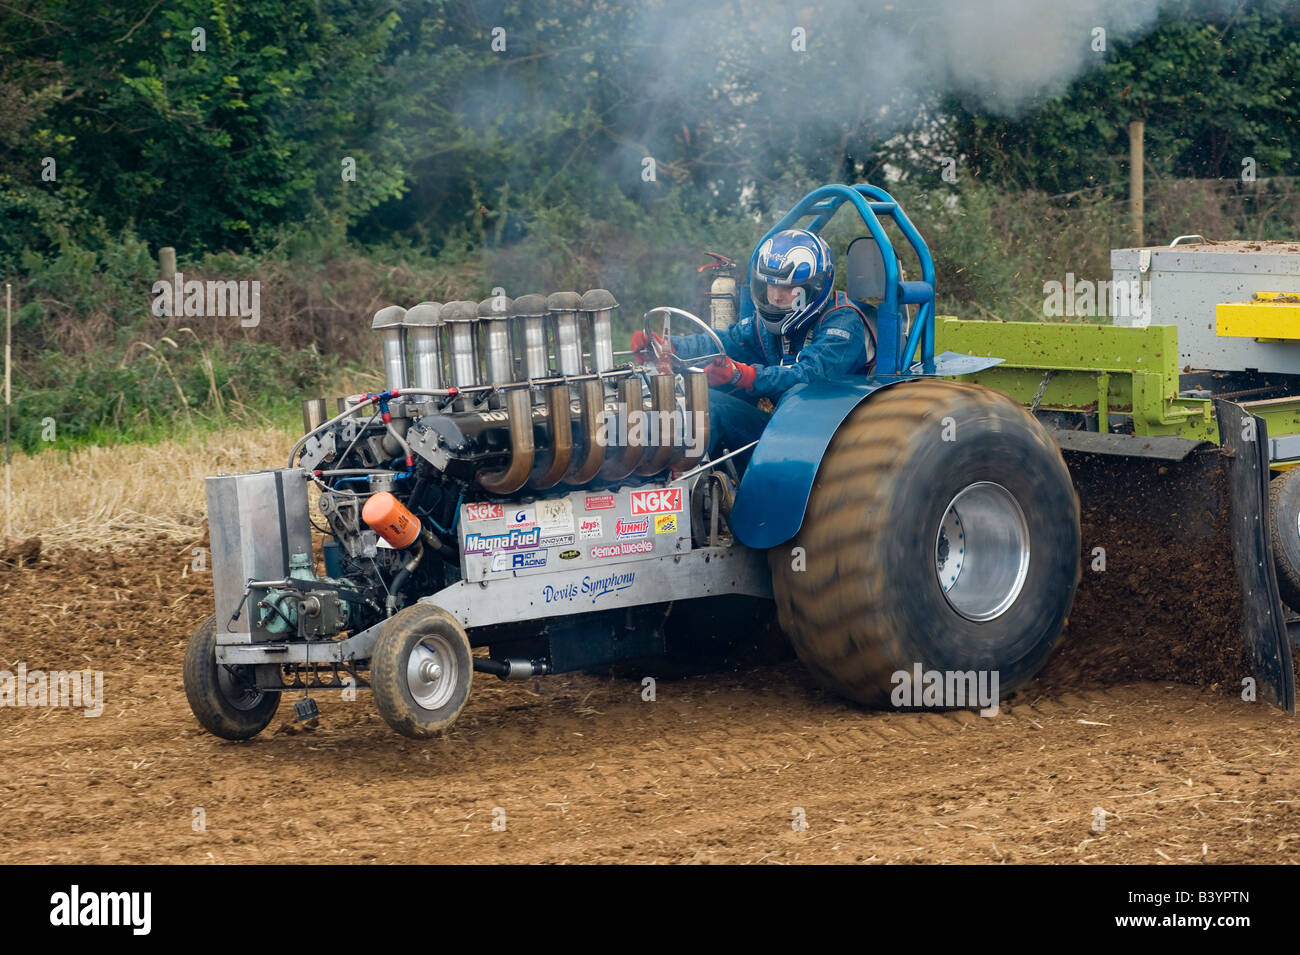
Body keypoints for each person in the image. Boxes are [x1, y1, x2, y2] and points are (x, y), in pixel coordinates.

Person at [631, 228, 876, 468]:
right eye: (770, 285)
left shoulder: (843, 322)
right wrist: (668, 347)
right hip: (785, 428)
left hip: (827, 443)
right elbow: (725, 341)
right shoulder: (767, 323)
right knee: (695, 400)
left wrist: (743, 375)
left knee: (709, 412)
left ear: (814, 287)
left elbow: (810, 375)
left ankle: (687, 491)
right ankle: (649, 477)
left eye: (788, 288)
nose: (776, 297)